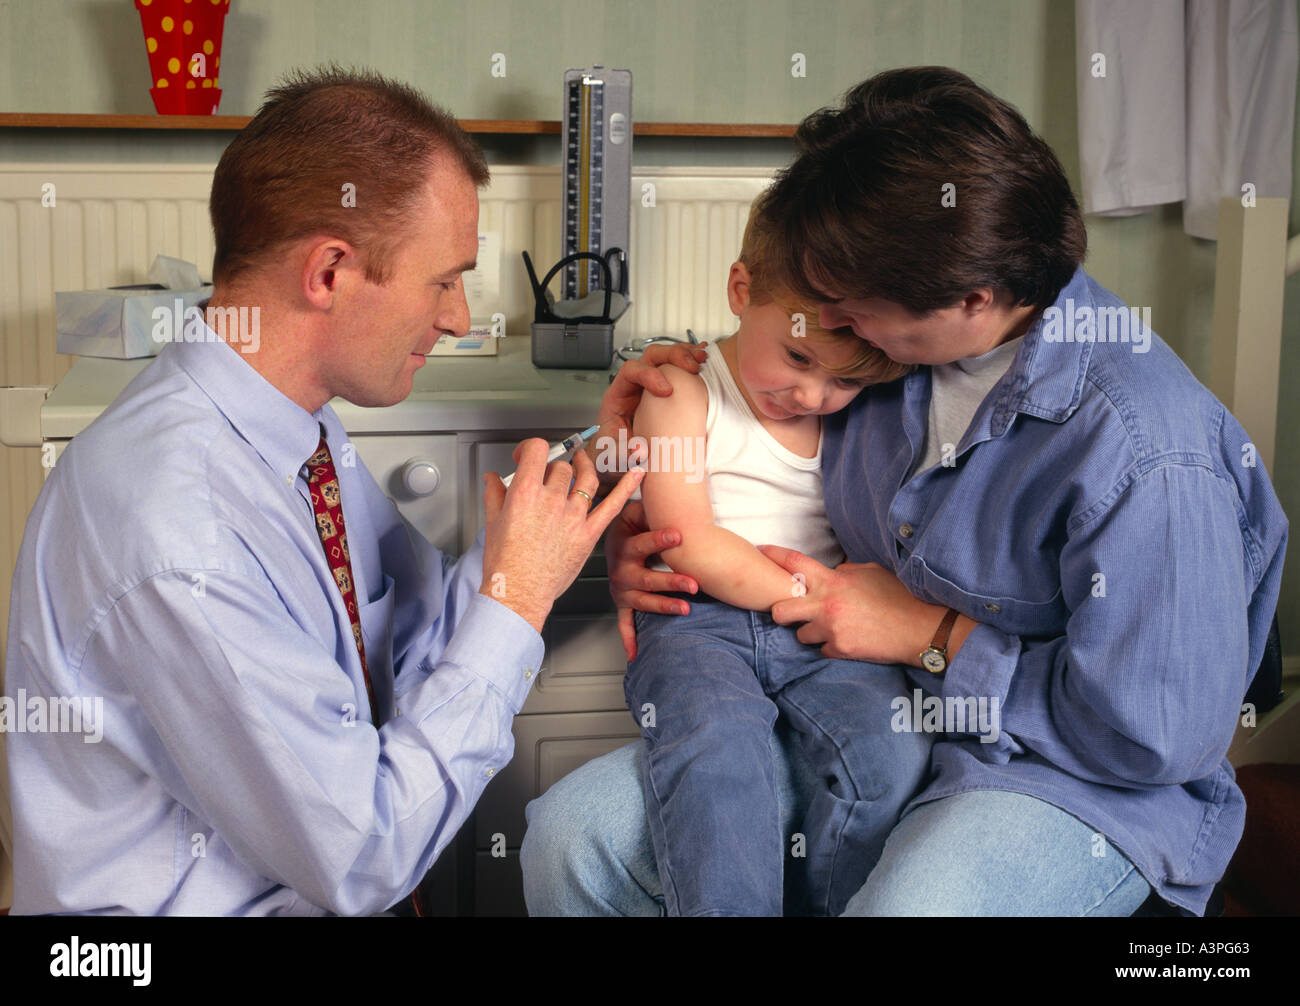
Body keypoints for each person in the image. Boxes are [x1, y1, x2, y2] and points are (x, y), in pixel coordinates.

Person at [521, 66, 1288, 917]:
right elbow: (739, 429)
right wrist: (645, 511)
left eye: (853, 309)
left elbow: (1154, 738)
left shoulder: (1148, 452)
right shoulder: (892, 360)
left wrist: (934, 636)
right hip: (867, 707)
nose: (834, 320)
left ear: (972, 299)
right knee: (572, 837)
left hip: (1067, 778)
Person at [2, 67, 682, 916]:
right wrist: (515, 599)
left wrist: (573, 493)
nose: (461, 318)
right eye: (443, 280)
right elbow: (367, 855)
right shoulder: (182, 533)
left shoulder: (291, 428)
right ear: (329, 272)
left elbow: (416, 623)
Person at [624, 197, 927, 916]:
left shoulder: (855, 417)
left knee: (891, 757)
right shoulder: (681, 392)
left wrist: (830, 610)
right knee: (718, 754)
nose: (812, 394)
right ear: (740, 292)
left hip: (828, 630)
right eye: (797, 357)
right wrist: (809, 594)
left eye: (845, 380)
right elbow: (684, 535)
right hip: (700, 621)